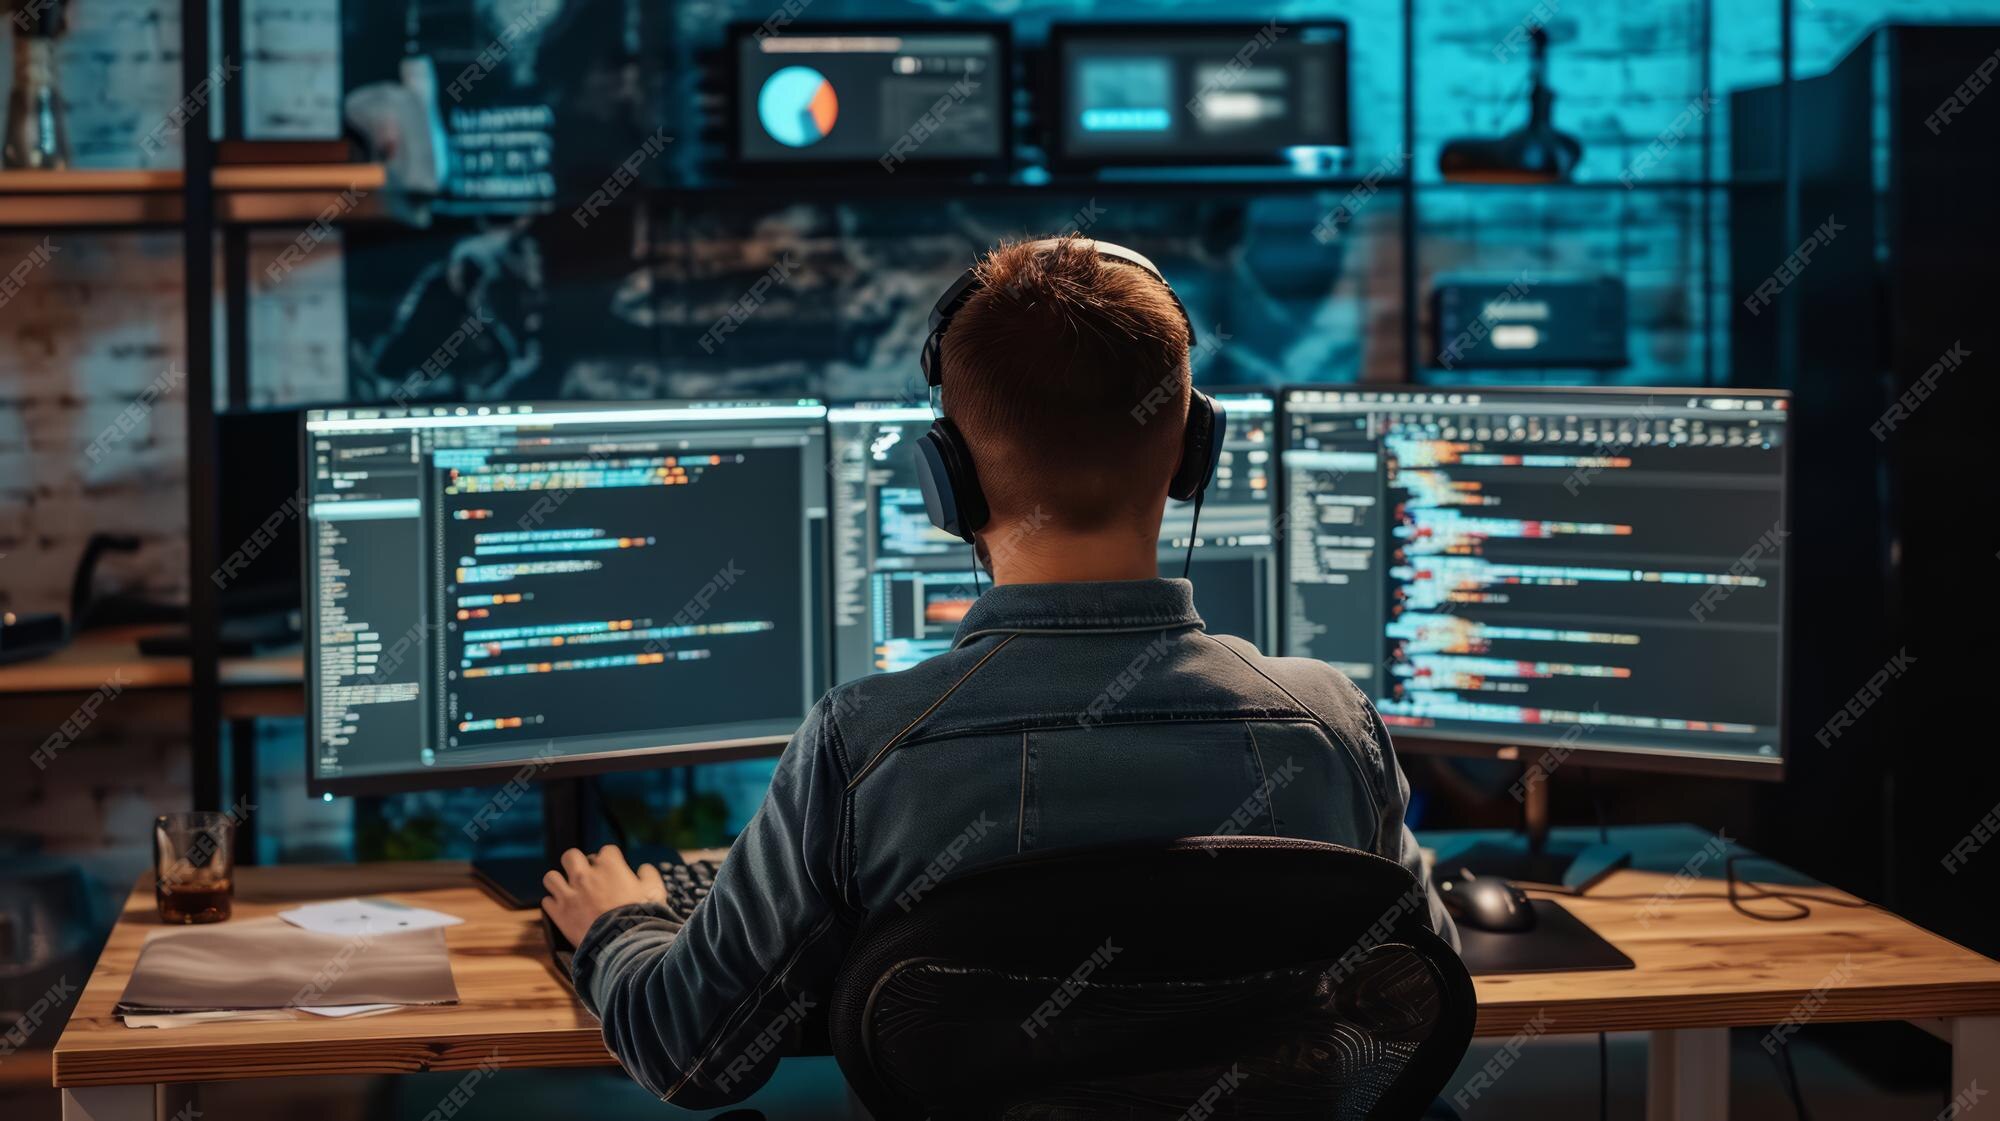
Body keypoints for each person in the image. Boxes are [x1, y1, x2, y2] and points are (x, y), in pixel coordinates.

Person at [540, 236, 1457, 1107]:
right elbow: (1420, 984)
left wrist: (617, 925)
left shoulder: (865, 750)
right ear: (1192, 453)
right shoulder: (1334, 726)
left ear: (949, 481)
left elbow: (688, 1054)